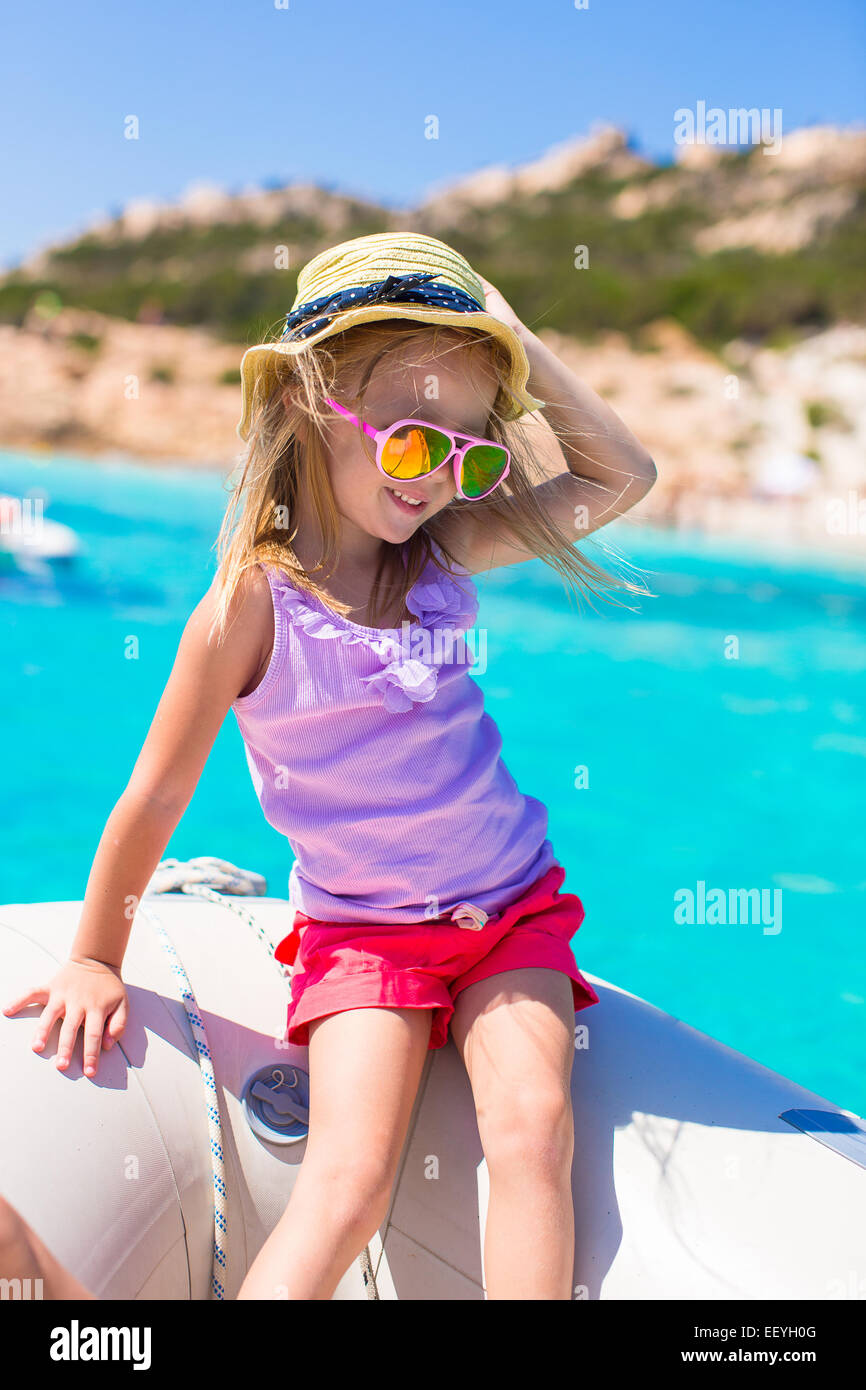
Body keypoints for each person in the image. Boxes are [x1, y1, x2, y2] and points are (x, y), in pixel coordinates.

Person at [3, 232, 656, 1300]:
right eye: (411, 443)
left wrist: (505, 328)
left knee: (532, 1129)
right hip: (366, 939)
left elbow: (621, 474)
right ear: (314, 405)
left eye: (470, 452)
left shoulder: (443, 548)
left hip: (508, 909)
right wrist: (93, 957)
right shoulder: (246, 607)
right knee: (346, 1183)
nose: (442, 479)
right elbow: (153, 797)